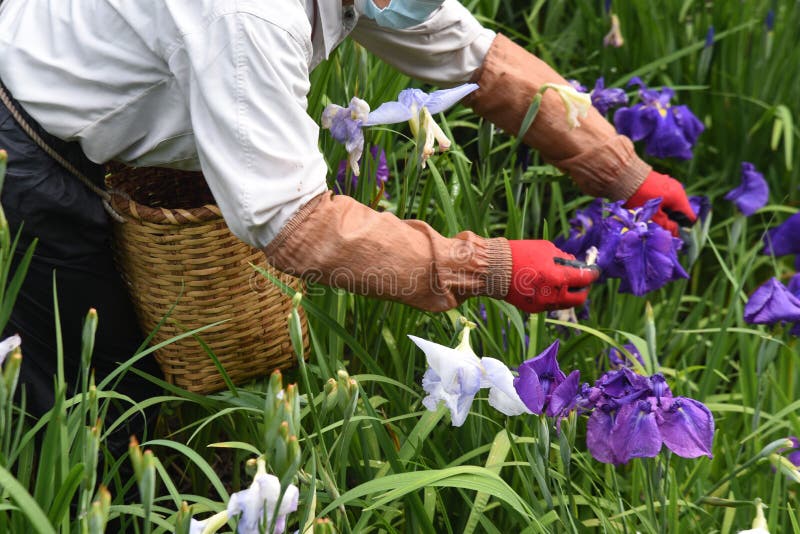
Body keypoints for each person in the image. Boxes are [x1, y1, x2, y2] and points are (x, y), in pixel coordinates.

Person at [0, 0, 696, 423]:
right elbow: (292, 223)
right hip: (28, 145)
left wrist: (625, 174)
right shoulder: (249, 15)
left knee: (125, 370)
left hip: (93, 125)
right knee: (84, 391)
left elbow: (482, 65)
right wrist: (487, 267)